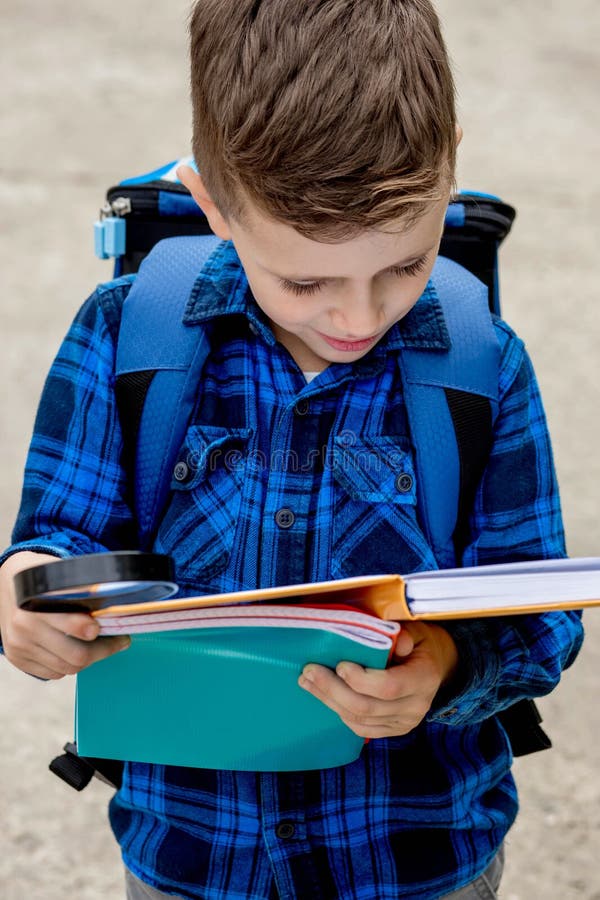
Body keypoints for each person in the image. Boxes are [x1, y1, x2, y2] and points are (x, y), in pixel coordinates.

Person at [0, 1, 584, 898]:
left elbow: (541, 611)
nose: (357, 317)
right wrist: (31, 601)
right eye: (305, 279)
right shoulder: (129, 337)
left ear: (451, 163)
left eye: (406, 264)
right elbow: (56, 542)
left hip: (417, 860)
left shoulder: (479, 359)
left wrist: (445, 666)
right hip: (191, 858)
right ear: (213, 206)